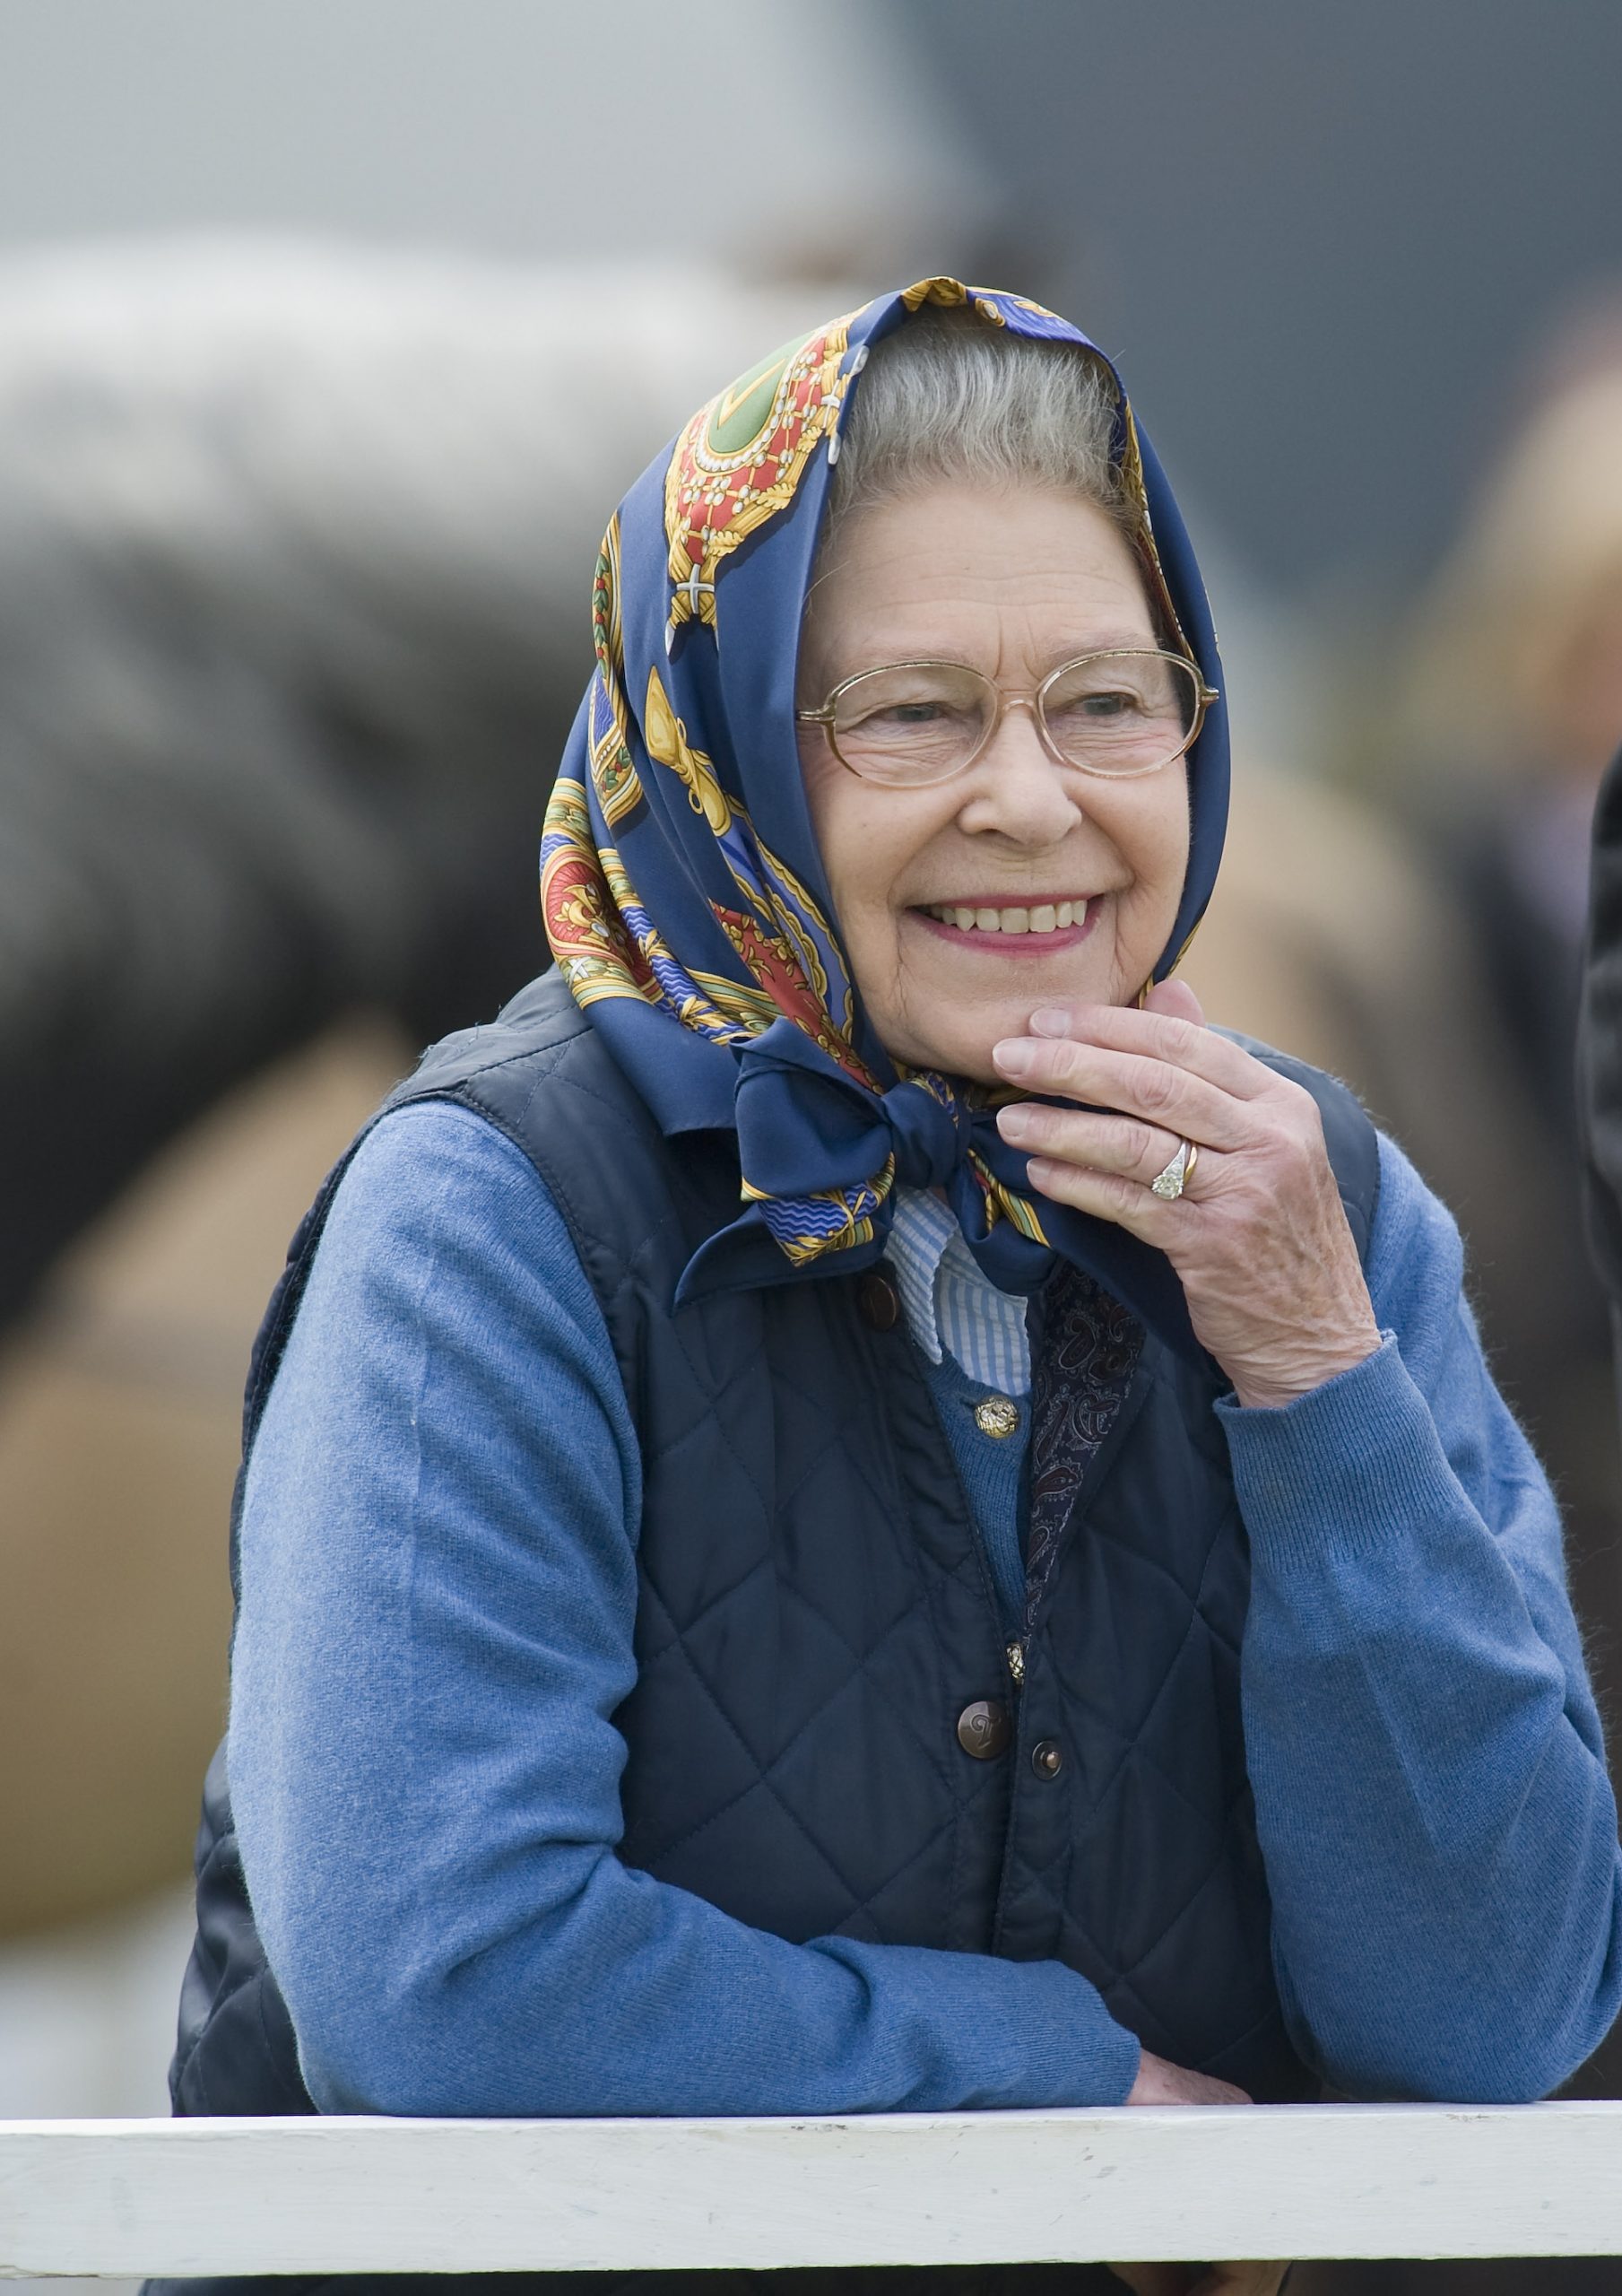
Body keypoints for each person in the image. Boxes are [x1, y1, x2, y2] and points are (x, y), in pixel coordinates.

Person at [167, 283, 1622, 2296]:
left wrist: (1313, 1370)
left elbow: (1492, 2011)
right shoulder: (493, 1212)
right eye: (911, 713)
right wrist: (1053, 2087)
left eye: (1105, 703)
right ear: (722, 750)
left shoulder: (1315, 1205)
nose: (1031, 800)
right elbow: (445, 1975)